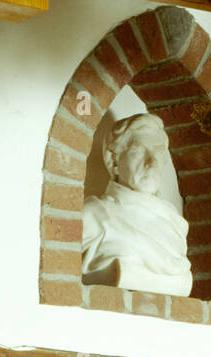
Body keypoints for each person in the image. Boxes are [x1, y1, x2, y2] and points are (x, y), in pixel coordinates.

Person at [81, 113, 193, 297]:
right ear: (114, 161)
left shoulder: (174, 222)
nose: (152, 162)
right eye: (140, 150)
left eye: (158, 152)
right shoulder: (92, 215)